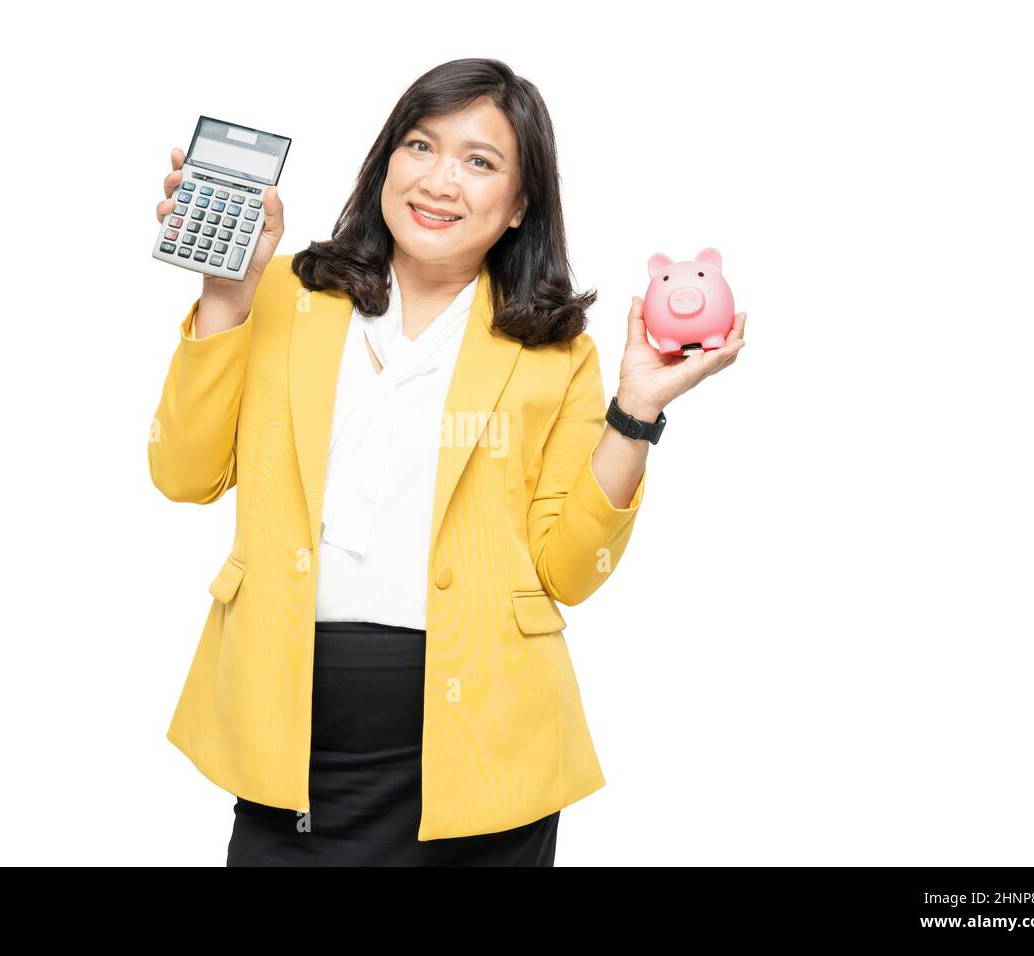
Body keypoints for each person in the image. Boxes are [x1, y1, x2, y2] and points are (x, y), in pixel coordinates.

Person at [149, 58, 746, 866]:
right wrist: (226, 294)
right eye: (421, 146)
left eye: (479, 161)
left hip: (484, 757)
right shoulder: (284, 292)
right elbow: (184, 475)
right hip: (286, 750)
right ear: (387, 160)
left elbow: (568, 568)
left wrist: (635, 411)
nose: (439, 181)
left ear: (519, 205)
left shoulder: (552, 349)